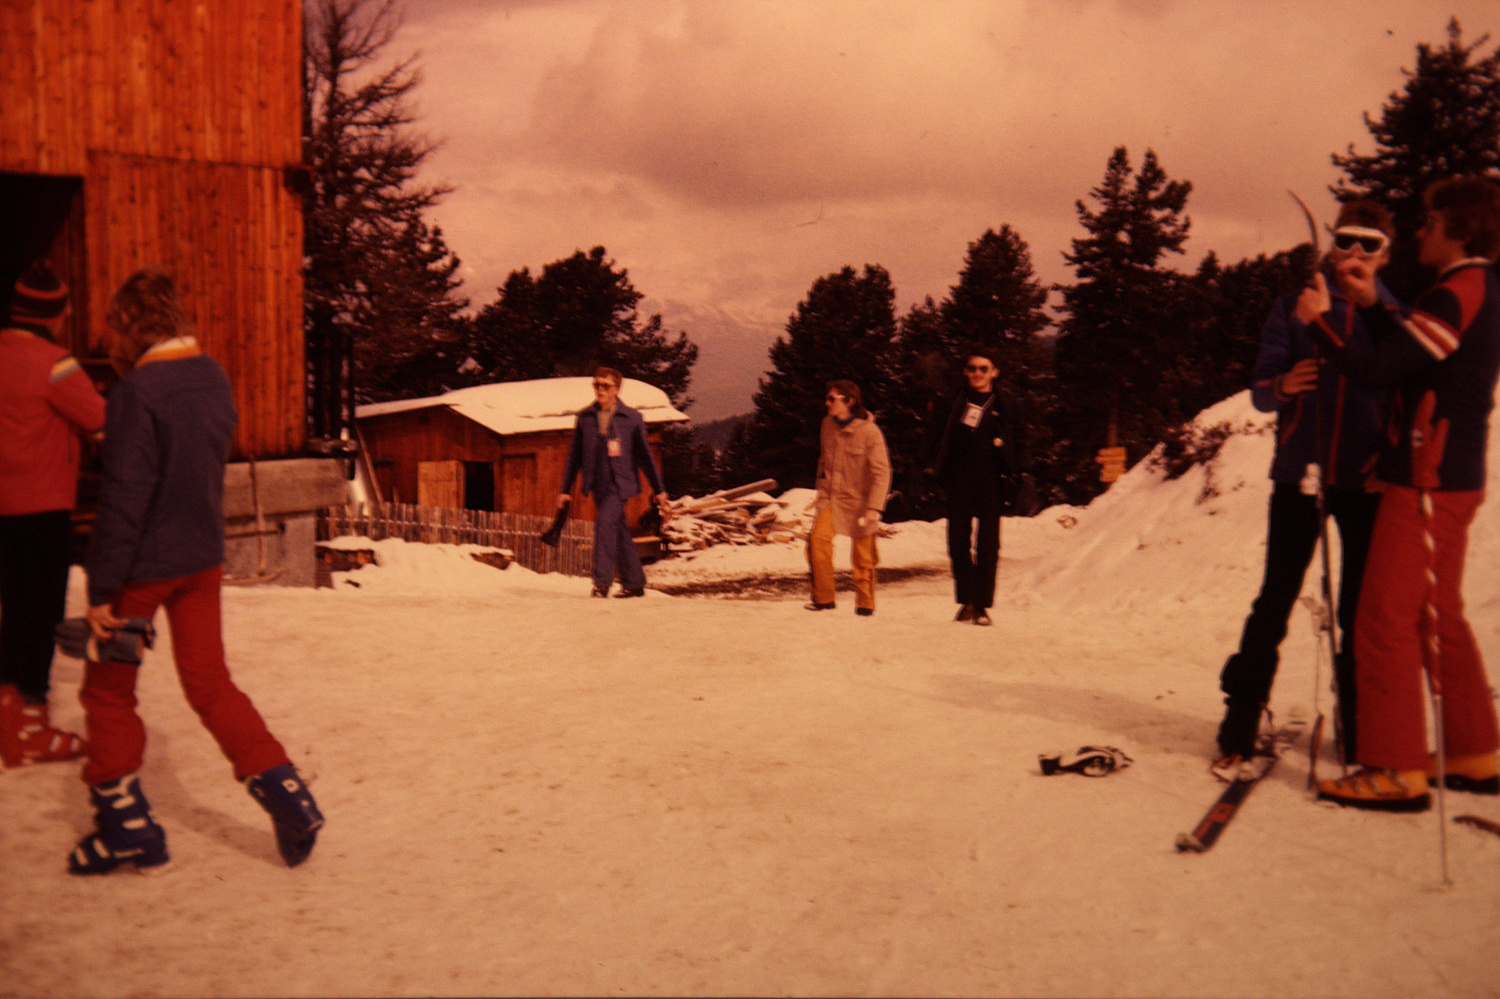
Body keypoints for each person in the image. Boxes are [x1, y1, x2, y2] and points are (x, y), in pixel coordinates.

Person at [71, 269, 323, 873]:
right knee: (210, 683)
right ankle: (286, 788)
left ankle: (127, 826)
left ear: (134, 328)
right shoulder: (212, 377)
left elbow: (125, 498)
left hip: (142, 571)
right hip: (201, 561)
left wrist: (103, 591)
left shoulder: (138, 392)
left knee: (107, 690)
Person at [1297, 176, 1500, 811]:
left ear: (1459, 228)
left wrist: (1323, 325)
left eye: (1431, 221)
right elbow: (1422, 359)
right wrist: (1377, 306)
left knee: (1384, 617)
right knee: (1436, 614)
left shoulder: (1458, 289)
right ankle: (1472, 752)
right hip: (1448, 472)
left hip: (1427, 477)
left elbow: (1380, 372)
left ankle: (1394, 767)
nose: (1421, 231)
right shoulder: (1477, 288)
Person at [1214, 201, 1395, 767]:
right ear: (1331, 242)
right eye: (1347, 240)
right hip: (1301, 475)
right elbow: (1261, 390)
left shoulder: (1392, 314)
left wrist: (1388, 459)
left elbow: (1407, 398)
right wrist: (1286, 384)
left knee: (1360, 608)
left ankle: (1360, 723)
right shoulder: (1292, 308)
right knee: (1275, 597)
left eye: (1370, 243)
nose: (1357, 254)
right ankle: (1241, 714)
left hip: (1364, 484)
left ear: (1386, 253)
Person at [0, 260, 106, 768]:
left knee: (10, 613)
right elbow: (100, 420)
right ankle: (31, 730)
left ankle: (6, 719)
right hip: (41, 511)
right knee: (40, 615)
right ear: (57, 314)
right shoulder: (56, 364)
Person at [557, 367, 671, 598]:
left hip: (620, 484)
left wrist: (659, 490)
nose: (600, 390)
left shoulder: (631, 418)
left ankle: (601, 583)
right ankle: (634, 583)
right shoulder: (585, 417)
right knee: (618, 530)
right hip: (597, 484)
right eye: (596, 385)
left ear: (617, 389)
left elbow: (645, 457)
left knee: (604, 525)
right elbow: (574, 456)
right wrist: (564, 490)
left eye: (605, 386)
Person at [933, 346, 1025, 627]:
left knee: (987, 546)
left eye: (983, 369)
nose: (977, 374)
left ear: (994, 372)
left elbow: (1020, 442)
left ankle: (982, 605)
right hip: (959, 479)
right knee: (957, 544)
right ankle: (967, 600)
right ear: (965, 371)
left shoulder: (1006, 404)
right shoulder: (953, 401)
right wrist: (933, 471)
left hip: (992, 482)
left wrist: (1018, 474)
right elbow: (935, 437)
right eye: (972, 368)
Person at [807, 379, 891, 616]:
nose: (828, 403)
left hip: (861, 501)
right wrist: (821, 481)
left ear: (850, 401)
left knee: (864, 557)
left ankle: (865, 605)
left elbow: (881, 472)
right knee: (818, 541)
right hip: (831, 497)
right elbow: (824, 458)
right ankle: (824, 599)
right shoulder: (827, 424)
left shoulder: (870, 432)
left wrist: (874, 507)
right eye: (828, 398)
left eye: (833, 399)